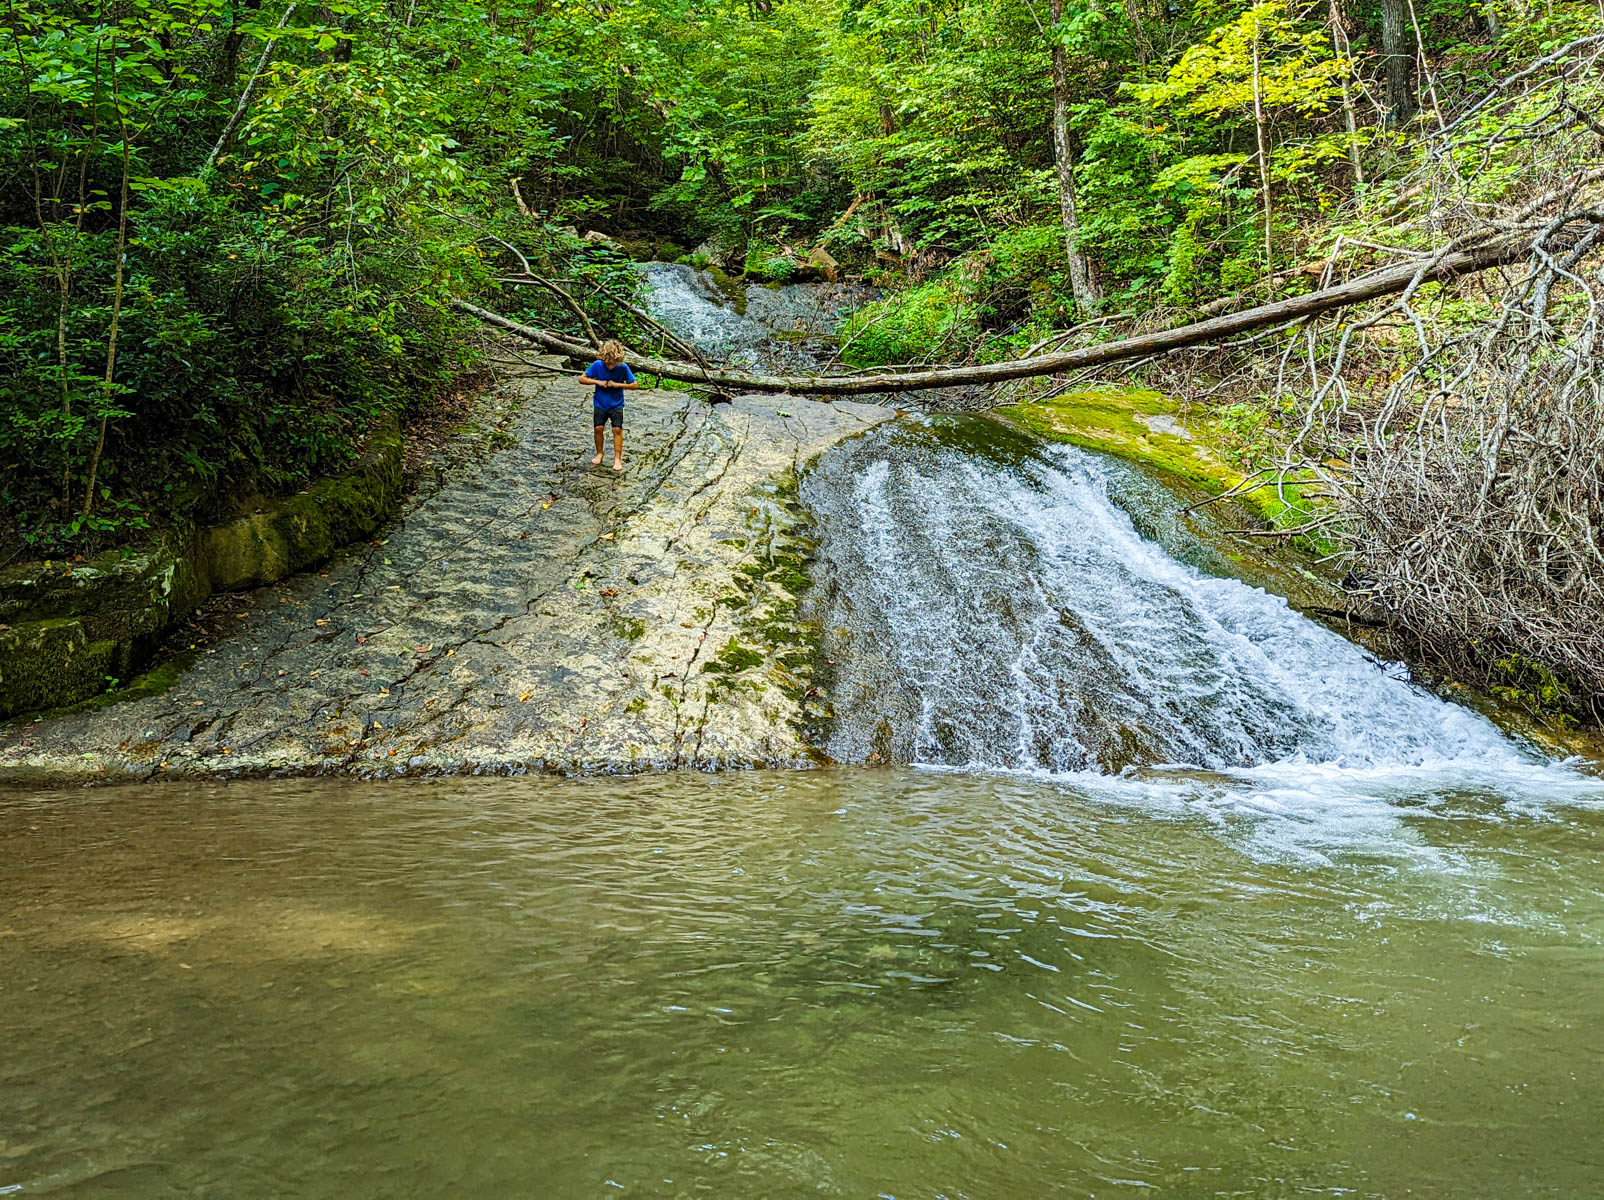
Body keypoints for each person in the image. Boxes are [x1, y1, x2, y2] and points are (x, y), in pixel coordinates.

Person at [578, 339, 640, 472]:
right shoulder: (597, 365)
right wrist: (598, 382)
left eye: (612, 364)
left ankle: (617, 458)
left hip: (616, 404)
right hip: (600, 403)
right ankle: (600, 453)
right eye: (607, 363)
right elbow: (582, 379)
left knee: (617, 430)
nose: (609, 366)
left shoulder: (623, 367)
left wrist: (617, 384)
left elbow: (634, 384)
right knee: (598, 428)